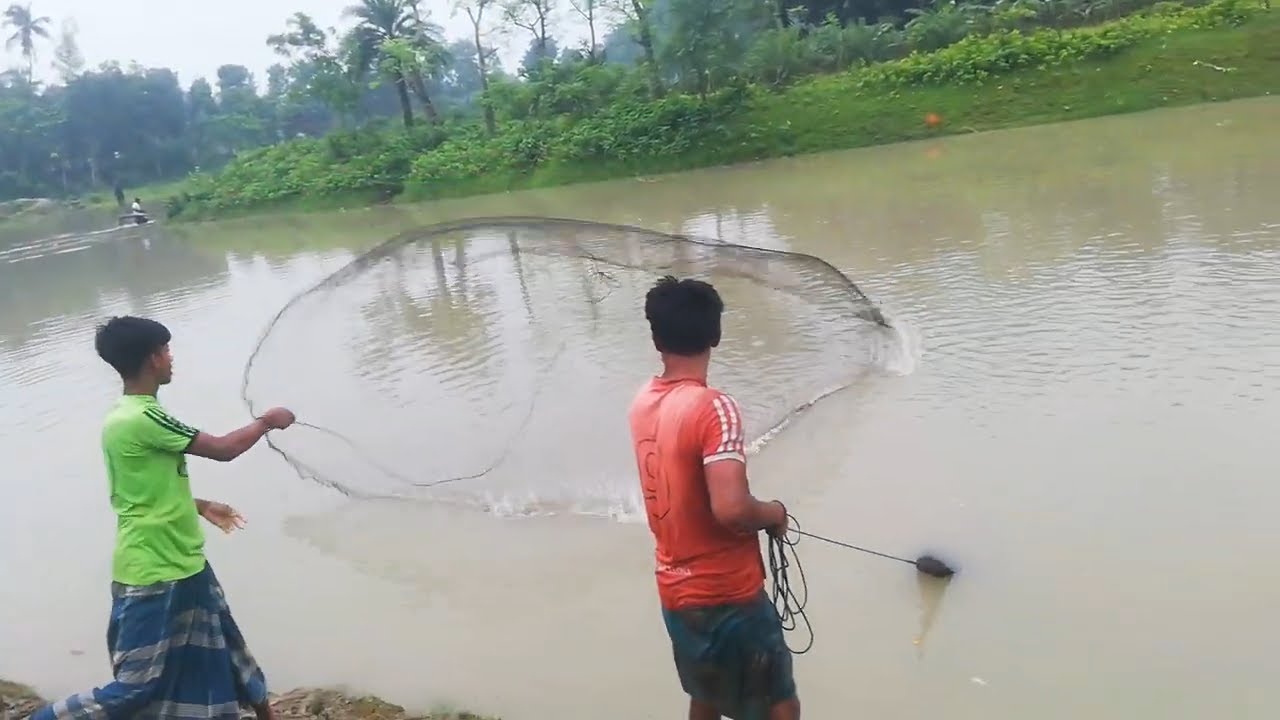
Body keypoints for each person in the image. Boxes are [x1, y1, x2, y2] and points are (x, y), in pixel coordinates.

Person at [31, 316, 296, 720]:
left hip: (183, 561)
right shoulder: (143, 417)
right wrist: (266, 422)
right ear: (153, 358)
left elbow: (138, 494)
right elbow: (224, 449)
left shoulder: (127, 416)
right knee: (135, 687)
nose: (172, 358)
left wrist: (200, 504)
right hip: (154, 570)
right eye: (167, 350)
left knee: (228, 647)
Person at [627, 276, 800, 720]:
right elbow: (731, 508)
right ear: (716, 336)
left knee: (707, 696)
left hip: (675, 591)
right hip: (727, 593)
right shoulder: (714, 407)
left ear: (655, 336)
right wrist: (774, 514)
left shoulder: (643, 402)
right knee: (779, 704)